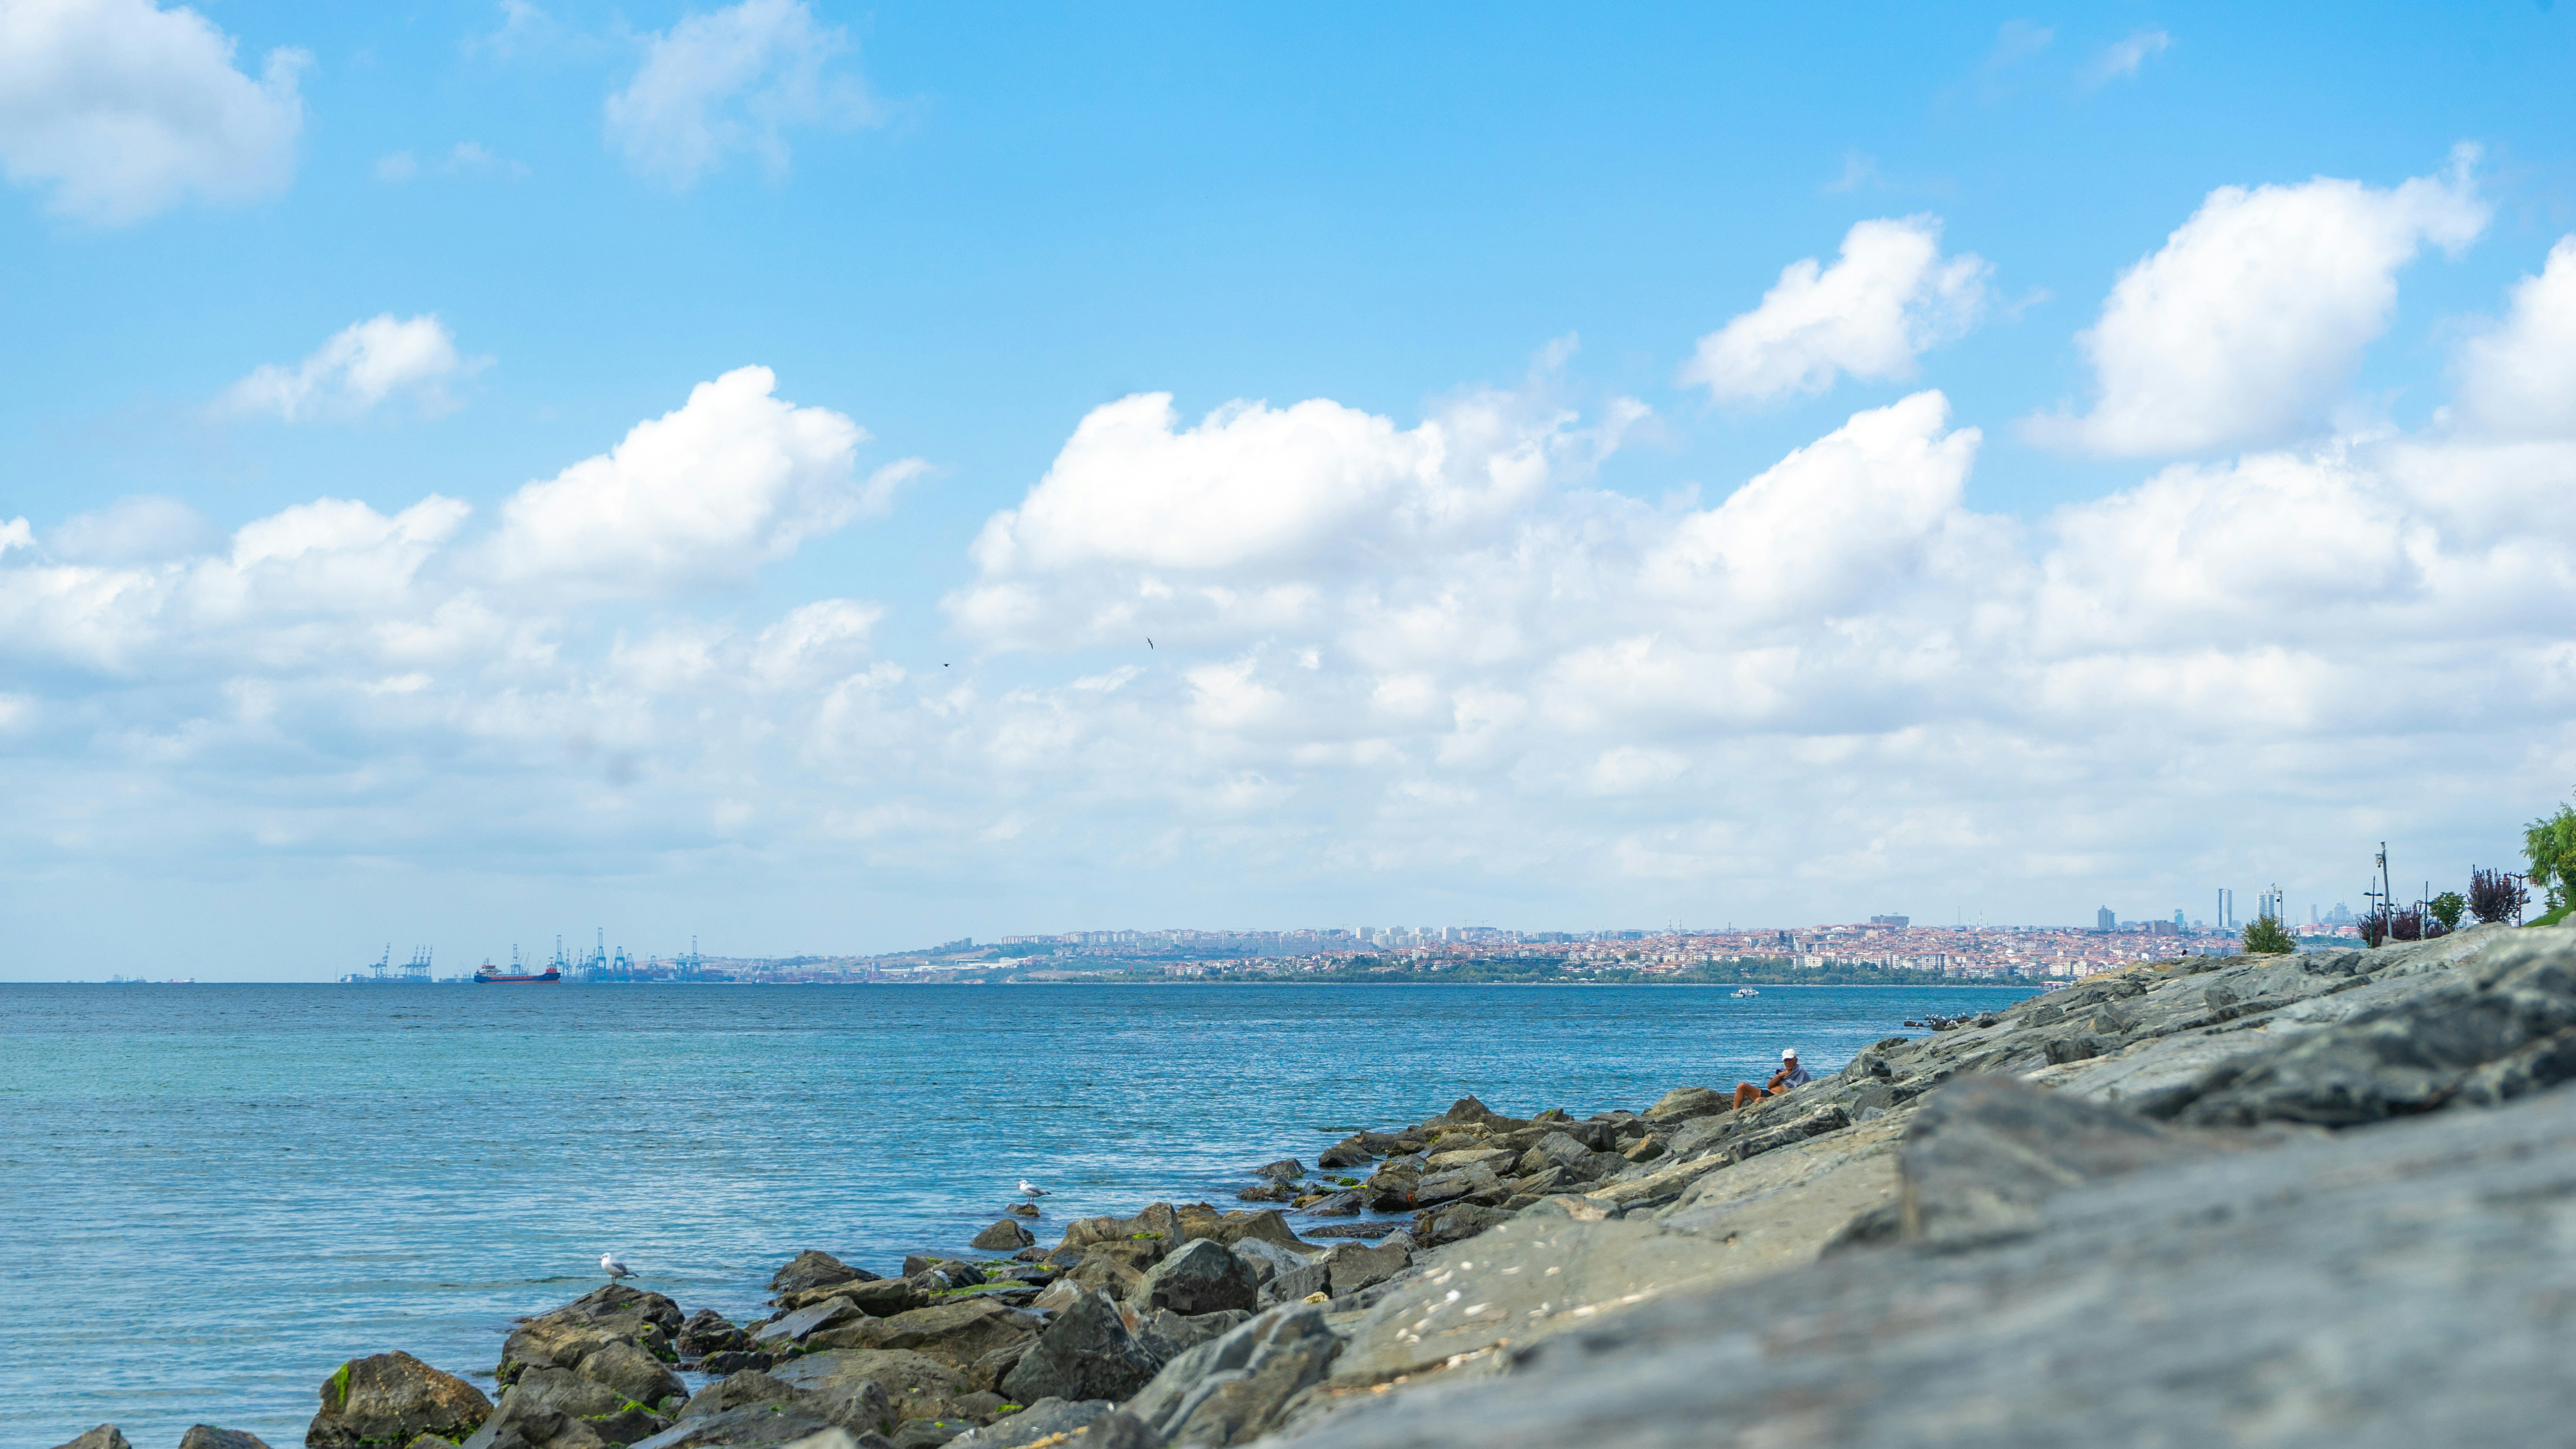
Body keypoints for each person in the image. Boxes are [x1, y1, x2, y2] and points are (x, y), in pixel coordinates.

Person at [1732, 1048, 1811, 1109]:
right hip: (1769, 1093)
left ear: (1796, 1060)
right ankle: (1734, 1111)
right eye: (1786, 1060)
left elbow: (1804, 1088)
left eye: (1790, 1060)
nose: (1788, 1062)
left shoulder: (1800, 1071)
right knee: (1742, 1086)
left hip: (1779, 1098)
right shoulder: (1781, 1071)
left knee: (1759, 1100)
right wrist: (1779, 1076)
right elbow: (1769, 1086)